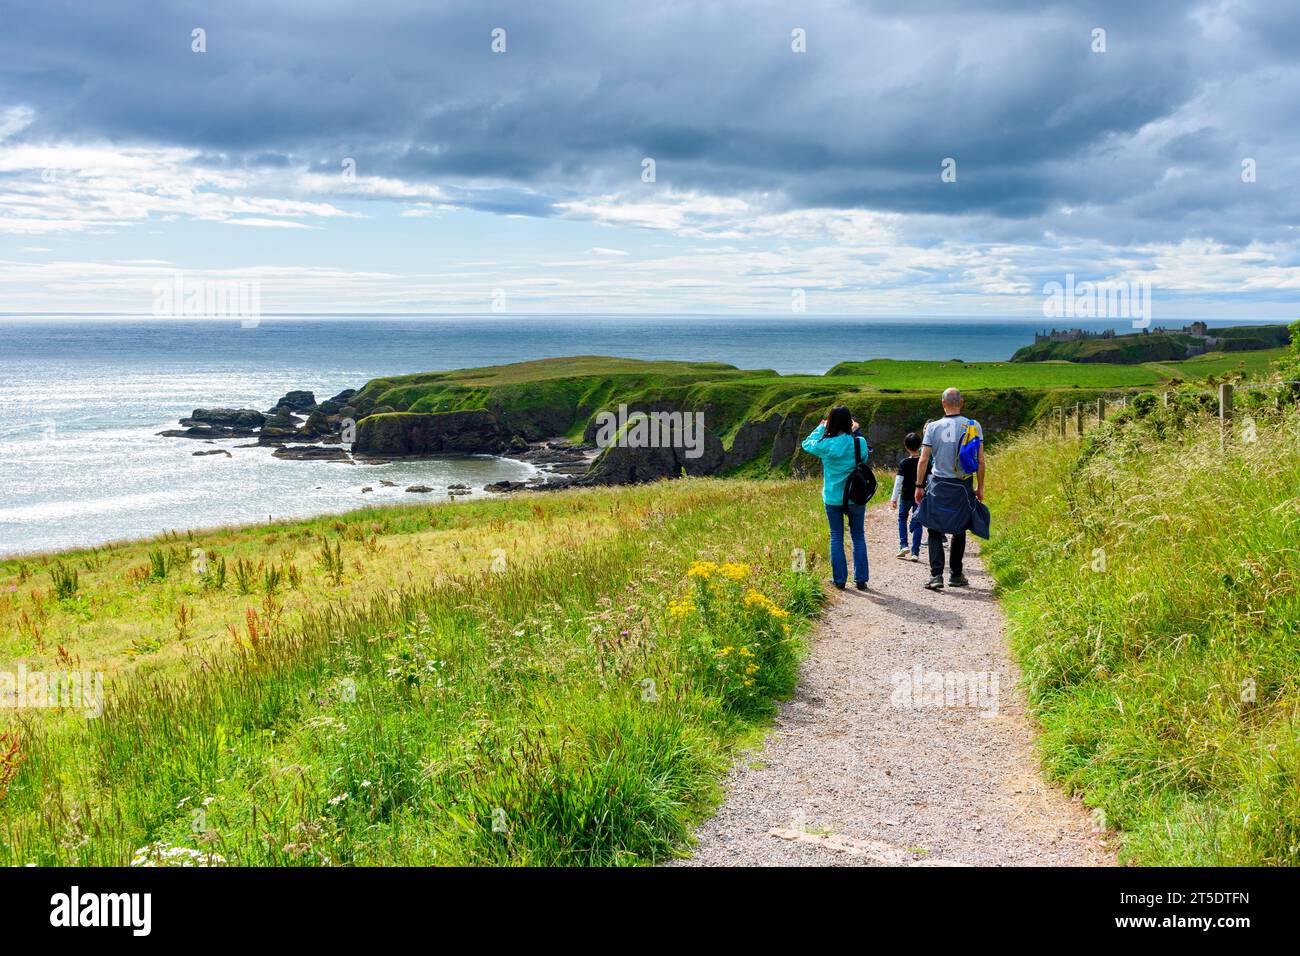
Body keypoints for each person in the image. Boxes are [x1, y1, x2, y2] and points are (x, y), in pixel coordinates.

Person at [914, 388, 987, 591]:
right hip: (963, 484)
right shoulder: (974, 426)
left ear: (943, 403)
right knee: (960, 527)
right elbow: (980, 460)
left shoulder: (933, 427)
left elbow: (924, 459)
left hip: (939, 483)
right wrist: (980, 487)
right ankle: (956, 574)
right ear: (961, 402)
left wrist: (919, 486)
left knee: (935, 528)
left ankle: (936, 575)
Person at [802, 405, 870, 590]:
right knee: (858, 535)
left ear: (831, 423)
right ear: (850, 422)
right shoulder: (859, 442)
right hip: (855, 495)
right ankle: (861, 578)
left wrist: (821, 428)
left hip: (833, 496)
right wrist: (855, 432)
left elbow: (806, 444)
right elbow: (863, 460)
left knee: (837, 536)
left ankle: (839, 580)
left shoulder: (826, 445)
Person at [889, 432, 926, 561]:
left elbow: (898, 481)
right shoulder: (924, 462)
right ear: (920, 445)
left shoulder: (904, 463)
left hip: (905, 496)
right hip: (920, 497)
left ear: (906, 446)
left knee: (902, 518)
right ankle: (915, 552)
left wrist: (894, 499)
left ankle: (904, 545)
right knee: (918, 522)